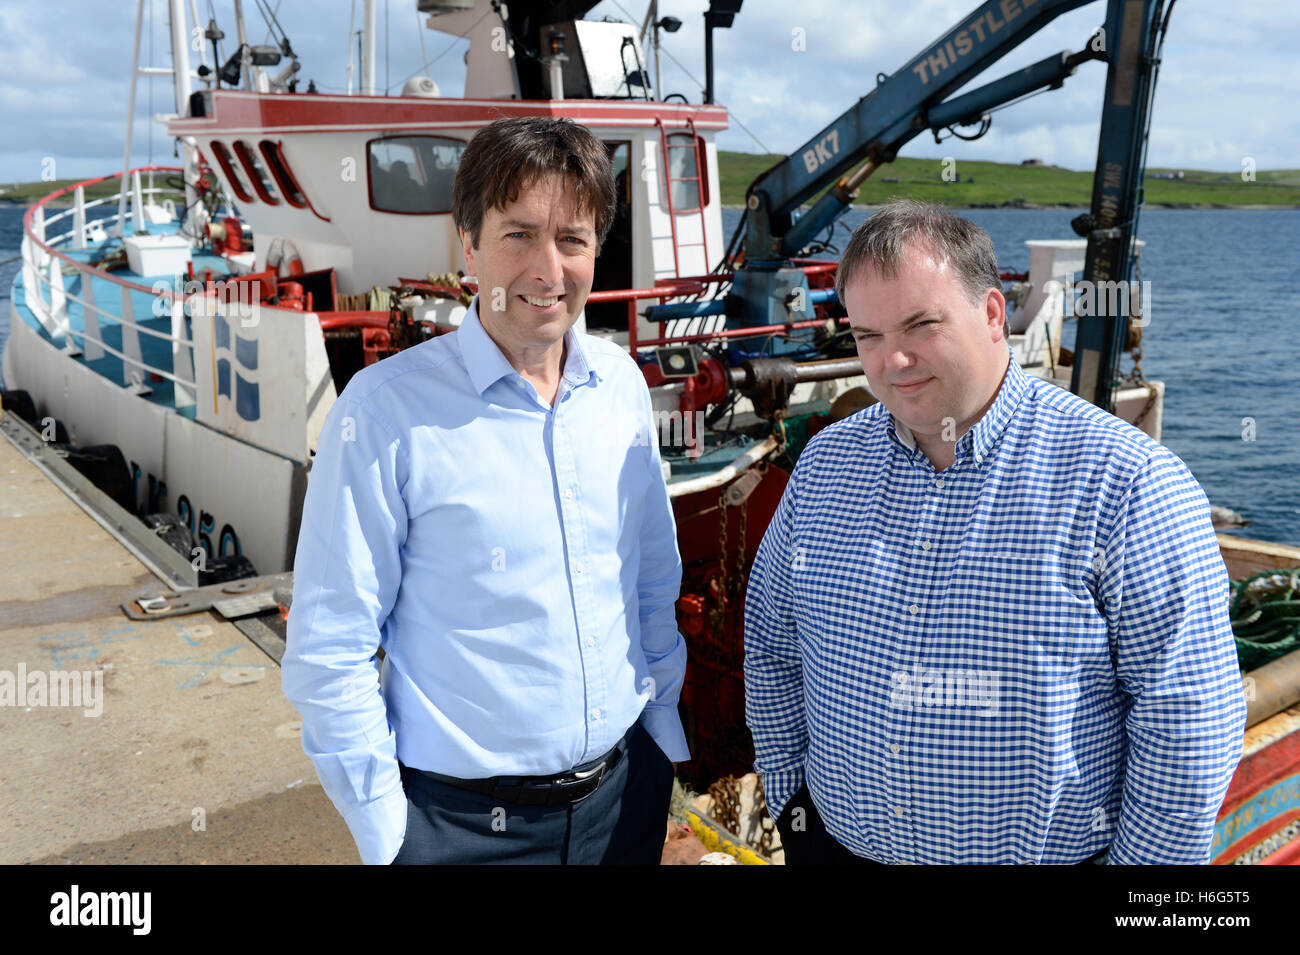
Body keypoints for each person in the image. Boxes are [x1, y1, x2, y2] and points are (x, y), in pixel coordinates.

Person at [744, 199, 1247, 865]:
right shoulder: (825, 464)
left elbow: (1189, 723)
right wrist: (793, 805)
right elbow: (772, 646)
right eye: (867, 335)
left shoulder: (1128, 484)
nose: (892, 360)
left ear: (990, 314)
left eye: (921, 325)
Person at [282, 116, 688, 865]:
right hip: (463, 831)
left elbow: (651, 580)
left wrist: (661, 732)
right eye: (519, 235)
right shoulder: (382, 412)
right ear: (467, 244)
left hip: (624, 800)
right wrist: (388, 833)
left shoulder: (623, 388)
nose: (548, 268)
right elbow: (328, 647)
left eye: (573, 238)